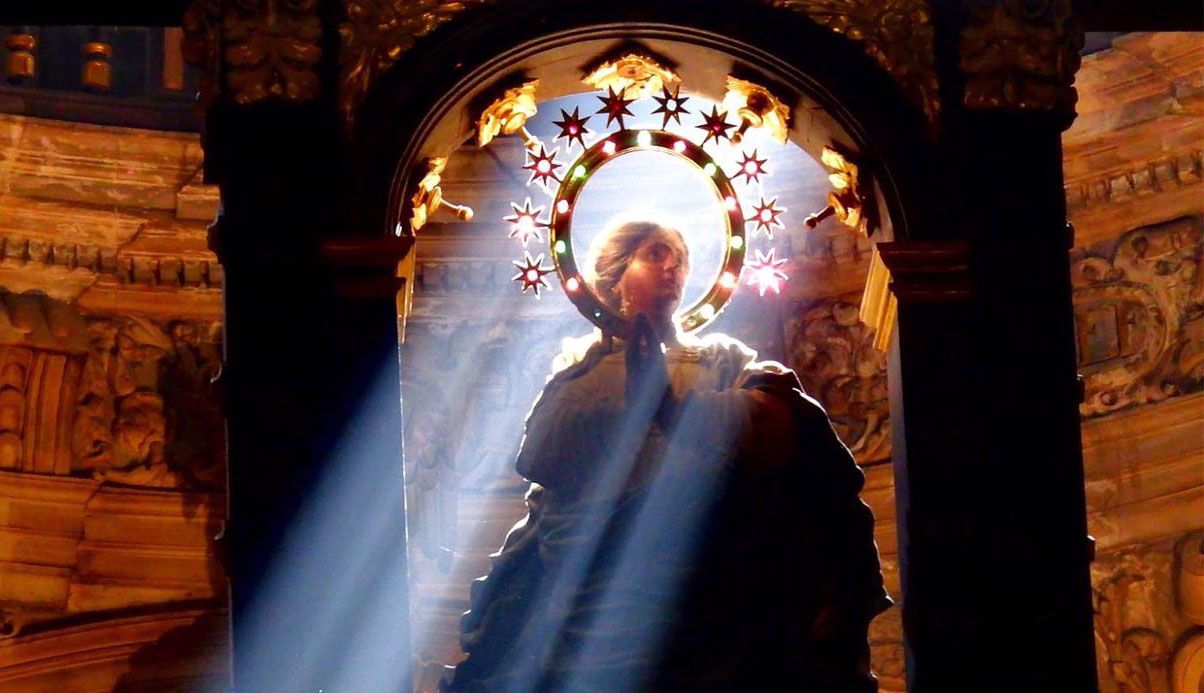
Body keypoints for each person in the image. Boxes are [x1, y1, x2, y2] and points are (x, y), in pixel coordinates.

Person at [441, 219, 890, 692]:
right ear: (615, 273)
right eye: (655, 253)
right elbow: (541, 459)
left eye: (680, 257)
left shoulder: (721, 358)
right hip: (589, 579)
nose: (673, 265)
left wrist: (674, 408)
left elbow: (785, 428)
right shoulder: (576, 374)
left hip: (705, 573)